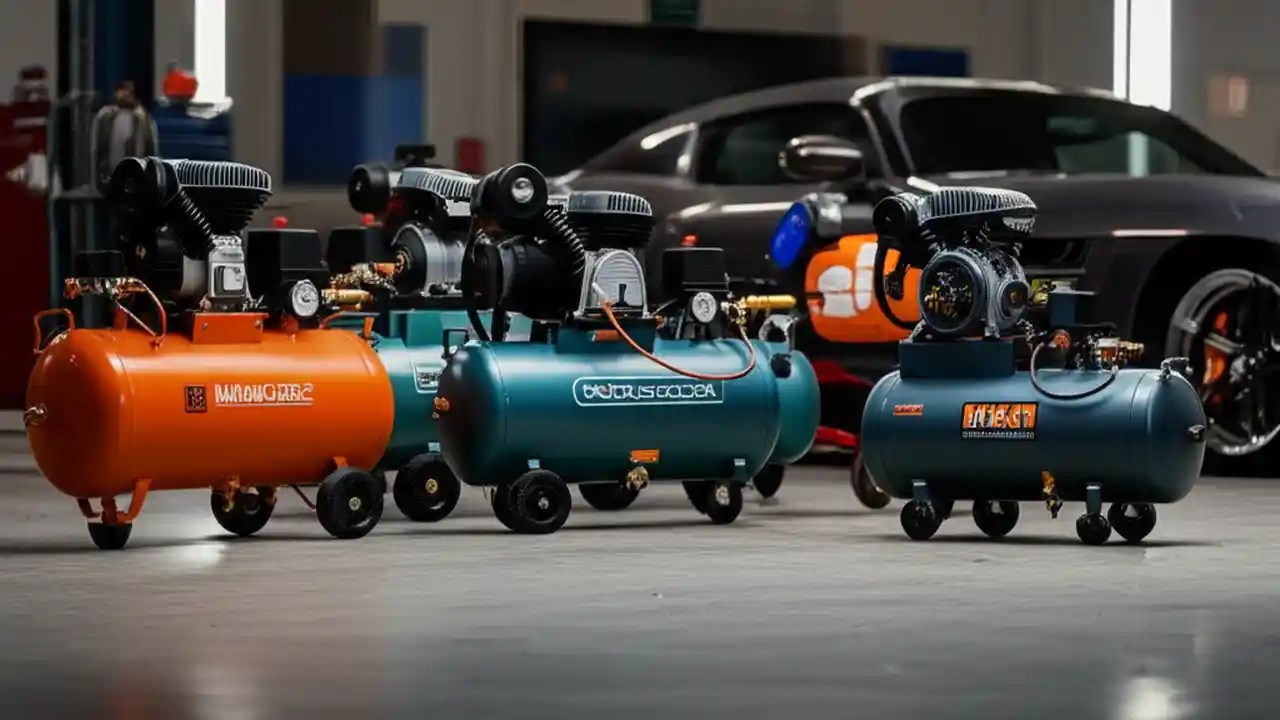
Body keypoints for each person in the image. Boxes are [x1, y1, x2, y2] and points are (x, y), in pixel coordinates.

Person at [90, 80, 159, 193]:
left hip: (135, 184)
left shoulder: (145, 121)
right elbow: (97, 151)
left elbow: (151, 151)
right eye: (121, 92)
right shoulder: (105, 117)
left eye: (128, 93)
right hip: (109, 181)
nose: (123, 96)